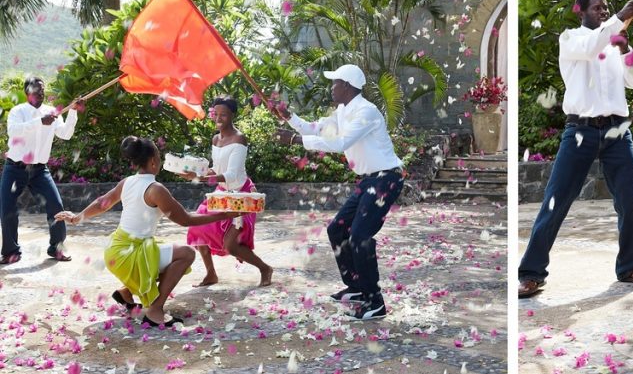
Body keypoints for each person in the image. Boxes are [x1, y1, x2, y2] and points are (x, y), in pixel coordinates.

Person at [518, 0, 633, 299]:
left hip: (618, 129)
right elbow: (594, 45)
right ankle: (531, 273)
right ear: (579, 10)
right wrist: (620, 19)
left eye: (606, 8)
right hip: (580, 130)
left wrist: (628, 49)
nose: (603, 12)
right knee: (556, 200)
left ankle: (631, 266)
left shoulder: (613, 40)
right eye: (597, 8)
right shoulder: (571, 39)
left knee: (629, 199)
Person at [55, 136, 240, 327]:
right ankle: (155, 310)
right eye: (159, 157)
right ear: (153, 161)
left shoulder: (127, 182)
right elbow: (186, 220)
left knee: (162, 254)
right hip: (130, 254)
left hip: (115, 250)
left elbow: (102, 203)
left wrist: (78, 217)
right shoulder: (156, 189)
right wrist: (224, 215)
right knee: (186, 254)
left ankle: (126, 292)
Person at [273, 64, 404, 321]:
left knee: (360, 236)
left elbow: (341, 142)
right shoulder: (343, 111)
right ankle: (356, 287)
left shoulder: (367, 111)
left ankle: (374, 301)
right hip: (369, 180)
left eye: (335, 83)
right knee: (337, 230)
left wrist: (293, 141)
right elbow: (316, 129)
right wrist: (289, 117)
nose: (331, 88)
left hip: (387, 178)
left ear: (347, 86)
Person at [185, 96, 273, 287]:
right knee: (197, 228)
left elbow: (232, 174)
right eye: (216, 114)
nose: (218, 118)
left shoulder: (239, 138)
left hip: (241, 195)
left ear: (232, 115)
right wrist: (196, 173)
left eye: (223, 115)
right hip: (221, 193)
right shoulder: (216, 139)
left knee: (231, 245)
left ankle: (265, 269)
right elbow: (216, 170)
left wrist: (203, 178)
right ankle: (211, 275)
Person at [1, 77, 84, 264]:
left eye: (42, 89)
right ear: (26, 92)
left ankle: (57, 248)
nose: (40, 92)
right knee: (7, 209)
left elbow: (66, 134)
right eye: (35, 89)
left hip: (39, 170)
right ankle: (10, 252)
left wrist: (72, 112)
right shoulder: (18, 111)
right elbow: (14, 132)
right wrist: (40, 122)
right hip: (15, 167)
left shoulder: (53, 112)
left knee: (56, 206)